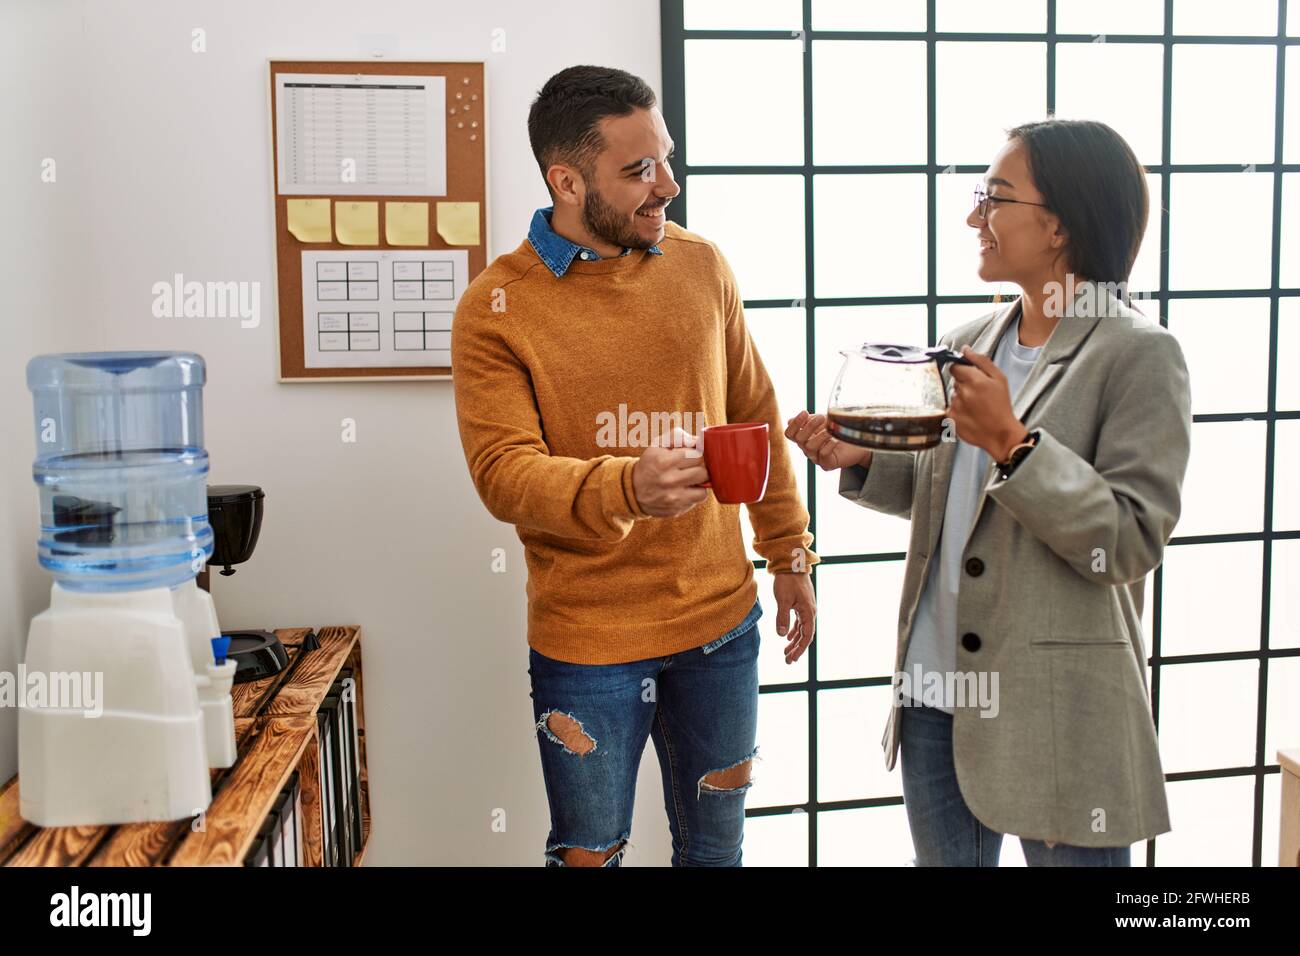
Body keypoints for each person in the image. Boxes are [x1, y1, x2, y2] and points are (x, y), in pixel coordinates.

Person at [787, 119, 1191, 866]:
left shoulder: (1139, 354)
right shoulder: (974, 336)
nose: (975, 217)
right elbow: (953, 494)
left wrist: (1014, 443)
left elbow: (1130, 542)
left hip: (1057, 709)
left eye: (994, 197)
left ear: (1062, 224)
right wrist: (862, 458)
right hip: (935, 694)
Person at [452, 65, 818, 867]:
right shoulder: (495, 307)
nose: (669, 186)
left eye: (667, 159)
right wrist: (626, 486)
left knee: (716, 853)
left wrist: (789, 552)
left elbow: (754, 411)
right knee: (589, 854)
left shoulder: (702, 266)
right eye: (639, 170)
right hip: (588, 643)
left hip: (723, 625)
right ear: (567, 180)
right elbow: (503, 472)